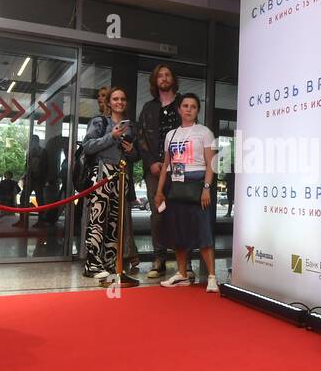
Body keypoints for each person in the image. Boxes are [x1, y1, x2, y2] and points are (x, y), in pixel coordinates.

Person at [154, 93, 218, 293]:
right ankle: (182, 274)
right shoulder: (170, 135)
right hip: (176, 186)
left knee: (203, 232)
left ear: (197, 111)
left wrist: (207, 188)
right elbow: (166, 165)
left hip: (198, 186)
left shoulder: (204, 132)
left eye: (193, 106)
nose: (189, 109)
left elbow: (212, 164)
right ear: (179, 109)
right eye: (185, 105)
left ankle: (212, 277)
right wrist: (159, 191)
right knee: (177, 232)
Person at [80, 87, 139, 279]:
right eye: (115, 99)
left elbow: (135, 156)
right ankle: (92, 264)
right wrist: (111, 136)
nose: (119, 102)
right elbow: (88, 146)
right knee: (97, 219)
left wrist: (130, 150)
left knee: (115, 221)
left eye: (122, 99)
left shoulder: (130, 127)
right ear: (109, 102)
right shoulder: (100, 121)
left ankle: (110, 262)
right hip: (102, 173)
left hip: (122, 175)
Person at [137, 65, 183, 280]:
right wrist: (151, 162)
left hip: (181, 168)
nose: (164, 79)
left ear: (173, 79)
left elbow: (191, 133)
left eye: (167, 75)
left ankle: (185, 263)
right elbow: (141, 137)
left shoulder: (183, 103)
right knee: (158, 214)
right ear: (155, 81)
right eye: (160, 76)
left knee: (181, 213)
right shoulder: (148, 107)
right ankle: (159, 260)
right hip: (154, 168)